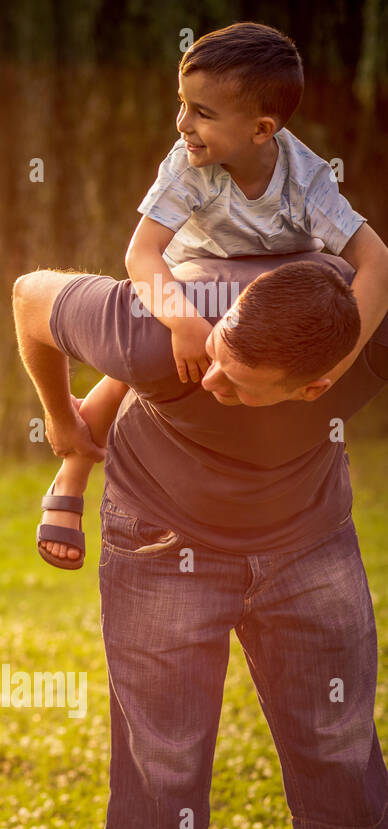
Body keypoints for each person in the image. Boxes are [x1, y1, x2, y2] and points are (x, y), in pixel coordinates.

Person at [14, 250, 388, 829]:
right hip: (163, 542)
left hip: (308, 542)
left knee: (338, 747)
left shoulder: (369, 347)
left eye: (237, 383)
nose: (209, 379)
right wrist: (62, 422)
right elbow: (31, 295)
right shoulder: (162, 337)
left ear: (315, 387)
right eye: (218, 354)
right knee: (165, 761)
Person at [37, 21, 388, 569]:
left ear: (261, 128)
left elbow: (376, 261)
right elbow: (142, 255)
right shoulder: (189, 167)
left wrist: (338, 358)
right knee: (135, 363)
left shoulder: (306, 180)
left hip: (272, 285)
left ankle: (78, 457)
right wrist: (182, 322)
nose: (183, 125)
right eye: (182, 105)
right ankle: (76, 465)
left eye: (203, 113)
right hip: (202, 279)